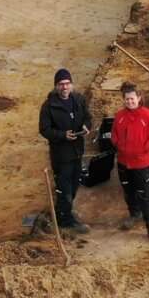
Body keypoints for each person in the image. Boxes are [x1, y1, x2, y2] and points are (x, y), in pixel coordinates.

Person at [37, 68, 91, 234]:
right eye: (61, 84)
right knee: (64, 188)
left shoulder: (79, 99)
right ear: (56, 86)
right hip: (61, 155)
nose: (65, 87)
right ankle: (65, 220)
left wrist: (86, 126)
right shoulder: (49, 106)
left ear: (71, 85)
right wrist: (62, 135)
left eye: (67, 83)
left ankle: (65, 211)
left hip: (77, 151)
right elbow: (44, 129)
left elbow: (88, 117)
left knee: (75, 184)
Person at [111, 80, 149, 244]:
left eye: (132, 99)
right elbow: (113, 134)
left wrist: (145, 147)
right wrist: (118, 145)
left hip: (142, 164)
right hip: (123, 163)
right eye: (127, 99)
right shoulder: (120, 116)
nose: (129, 102)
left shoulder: (148, 116)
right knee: (129, 192)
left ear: (139, 98)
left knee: (146, 196)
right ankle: (134, 214)